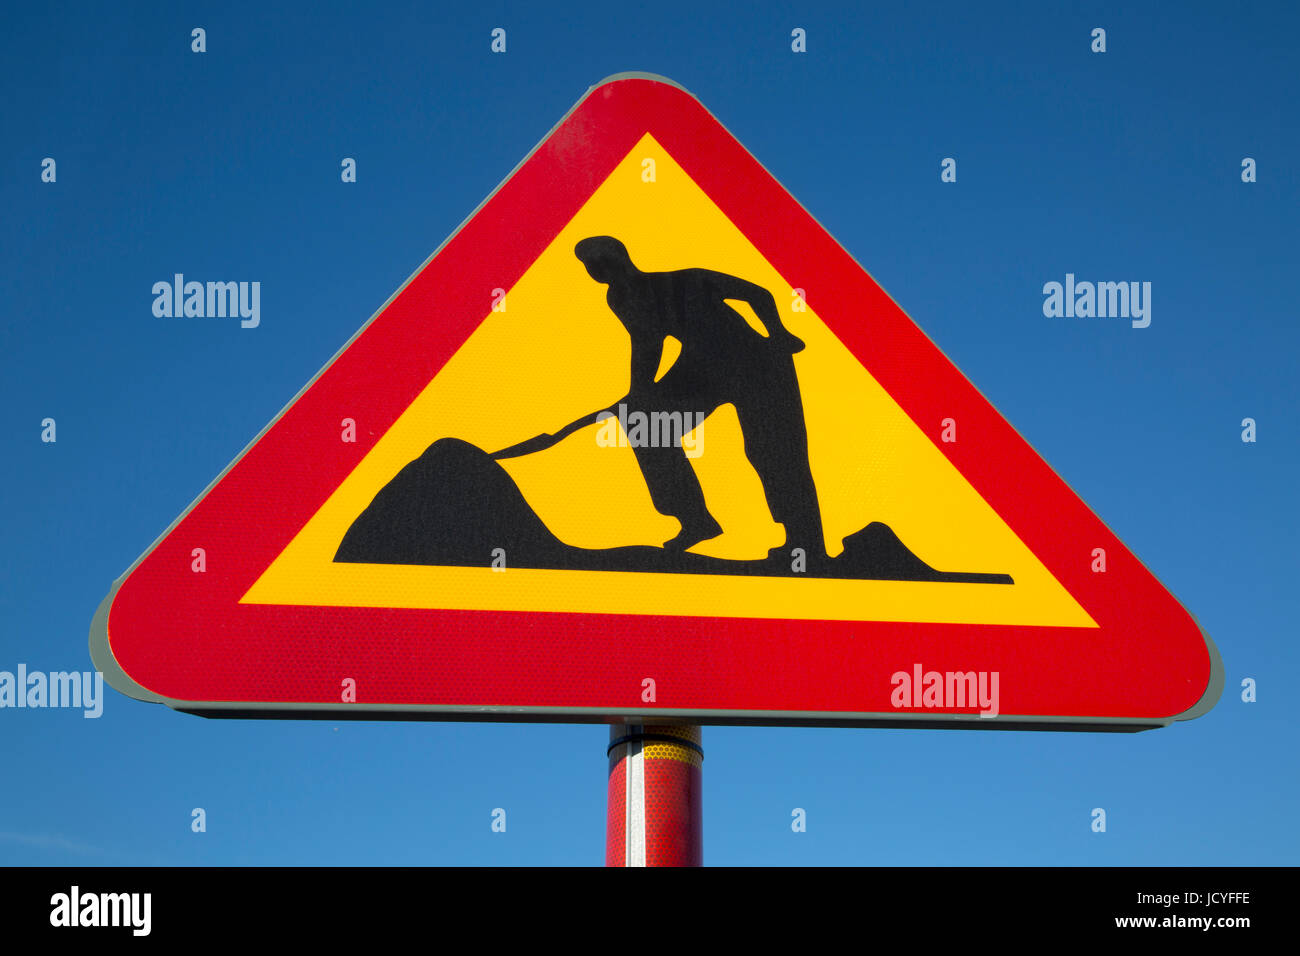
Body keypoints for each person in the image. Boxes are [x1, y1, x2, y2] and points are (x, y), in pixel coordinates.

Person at [574, 236, 826, 558]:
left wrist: (778, 334)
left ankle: (804, 542)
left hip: (755, 362)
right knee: (646, 425)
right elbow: (647, 343)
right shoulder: (620, 297)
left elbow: (757, 294)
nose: (595, 270)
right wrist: (639, 393)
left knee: (773, 451)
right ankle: (695, 519)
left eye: (598, 262)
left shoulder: (688, 279)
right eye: (590, 265)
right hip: (701, 367)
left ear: (619, 259)